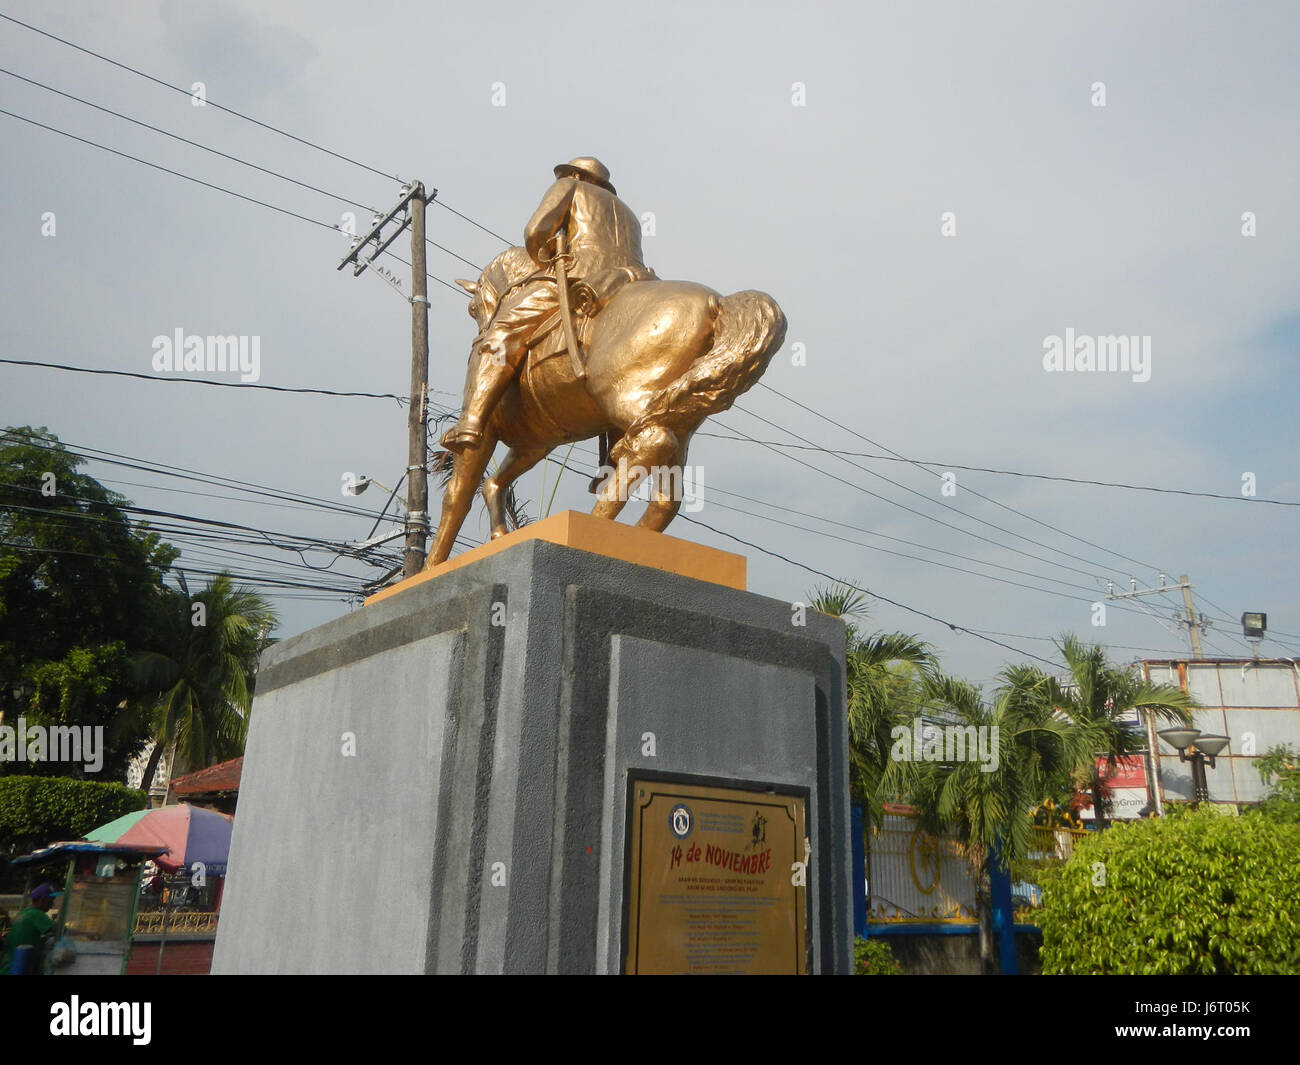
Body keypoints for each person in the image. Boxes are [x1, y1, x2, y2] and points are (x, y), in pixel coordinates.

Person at [440, 156, 651, 453]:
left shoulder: (570, 187)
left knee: (500, 335)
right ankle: (621, 448)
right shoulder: (629, 214)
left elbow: (536, 230)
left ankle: (471, 420)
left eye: (566, 174)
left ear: (577, 174)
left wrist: (544, 255)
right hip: (629, 281)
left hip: (581, 273)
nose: (561, 178)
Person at [0, 882, 60, 974]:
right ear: (41, 900)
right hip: (20, 968)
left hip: (8, 967)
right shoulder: (36, 914)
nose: (52, 904)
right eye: (51, 900)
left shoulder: (23, 913)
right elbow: (60, 930)